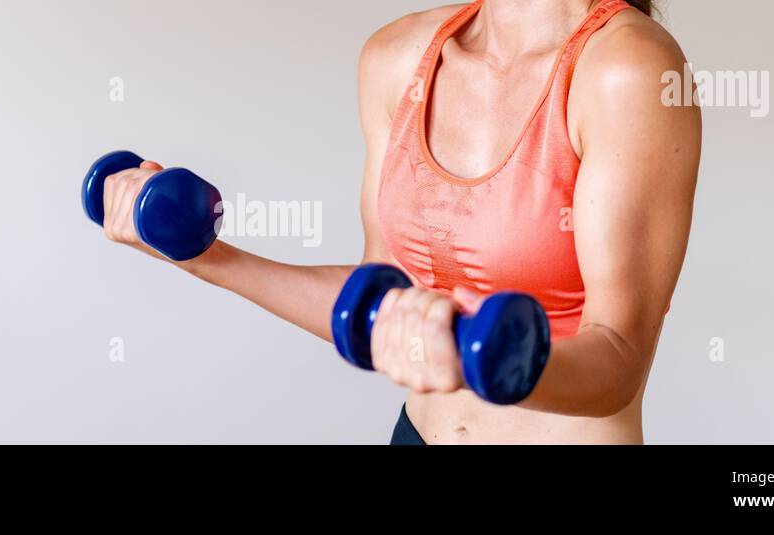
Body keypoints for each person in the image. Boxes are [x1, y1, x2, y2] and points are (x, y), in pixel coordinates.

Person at [99, 0, 702, 444]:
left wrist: (469, 358)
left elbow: (619, 361)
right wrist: (206, 256)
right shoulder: (398, 57)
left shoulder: (629, 70)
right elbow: (380, 289)